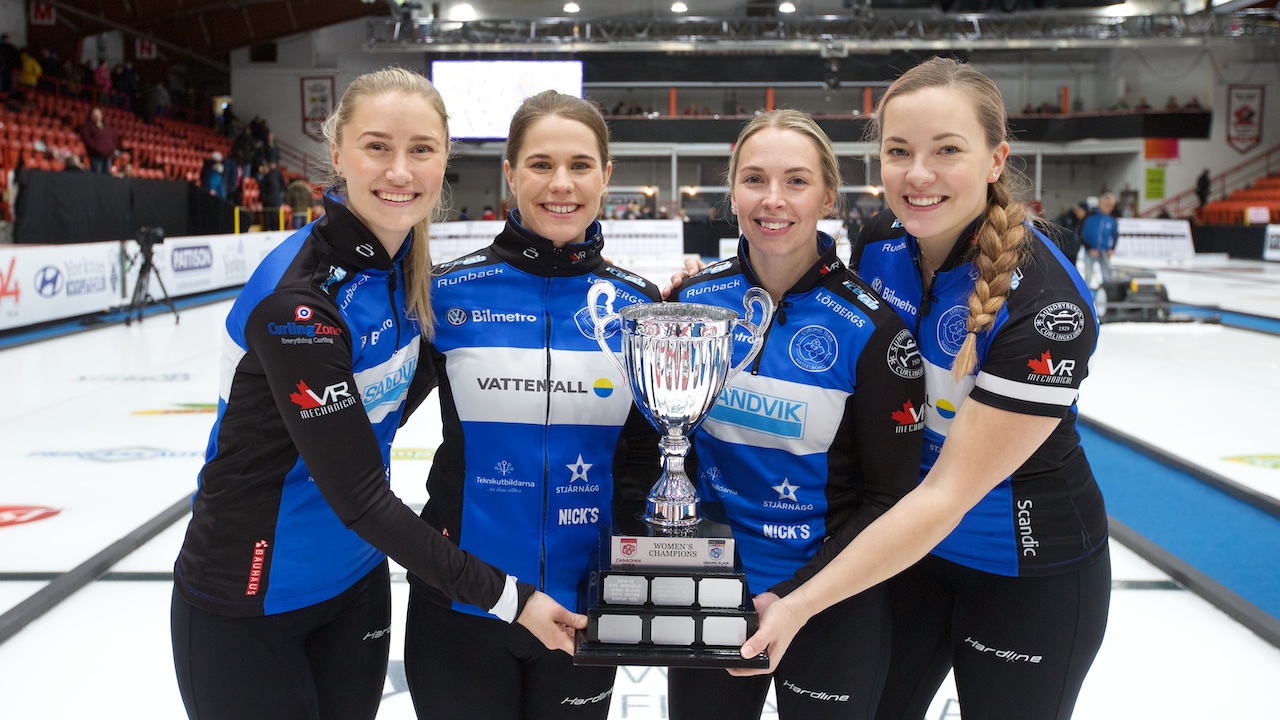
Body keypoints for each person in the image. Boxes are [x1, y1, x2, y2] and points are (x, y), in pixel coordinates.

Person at [170, 67, 585, 720]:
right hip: (250, 599)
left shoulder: (405, 272)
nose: (400, 170)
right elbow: (360, 497)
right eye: (377, 147)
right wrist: (511, 598)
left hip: (356, 588)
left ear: (444, 160)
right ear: (337, 152)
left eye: (421, 149)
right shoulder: (298, 302)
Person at [728, 57, 1110, 720]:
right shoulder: (881, 241)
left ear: (996, 160)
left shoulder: (1046, 303)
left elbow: (946, 495)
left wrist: (800, 603)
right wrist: (709, 297)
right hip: (901, 559)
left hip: (1025, 571)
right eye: (899, 151)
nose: (918, 175)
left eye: (948, 151)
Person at [401, 89, 662, 720]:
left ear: (606, 176)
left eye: (580, 165)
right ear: (511, 174)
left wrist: (628, 571)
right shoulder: (445, 294)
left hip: (583, 605)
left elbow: (643, 457)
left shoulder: (639, 305)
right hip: (461, 601)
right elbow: (370, 424)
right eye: (541, 164)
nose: (560, 183)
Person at [666, 109, 926, 720]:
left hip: (832, 600)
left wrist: (796, 596)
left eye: (797, 181)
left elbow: (889, 500)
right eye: (754, 179)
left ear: (828, 196)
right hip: (709, 592)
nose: (773, 200)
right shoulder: (689, 305)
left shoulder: (874, 329)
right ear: (733, 192)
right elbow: (657, 449)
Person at [1080, 191, 1118, 287]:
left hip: (1104, 251)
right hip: (1090, 251)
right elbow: (1080, 234)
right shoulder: (1089, 217)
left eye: (1112, 206)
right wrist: (1089, 248)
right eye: (1108, 205)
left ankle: (1108, 291)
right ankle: (1087, 293)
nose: (1110, 208)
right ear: (1101, 203)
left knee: (1107, 276)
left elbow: (1115, 236)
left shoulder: (1111, 220)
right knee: (1088, 275)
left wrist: (1112, 248)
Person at [77, 107, 118, 174]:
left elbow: (113, 138)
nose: (97, 116)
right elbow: (87, 140)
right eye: (95, 114)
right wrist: (98, 149)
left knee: (106, 176)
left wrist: (111, 148)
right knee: (96, 176)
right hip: (95, 156)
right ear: (91, 115)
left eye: (98, 114)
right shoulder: (87, 126)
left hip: (107, 156)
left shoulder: (107, 126)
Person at [1051, 201, 1088, 266]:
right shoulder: (1066, 217)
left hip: (1073, 252)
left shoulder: (1083, 222)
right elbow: (1054, 227)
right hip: (1060, 249)